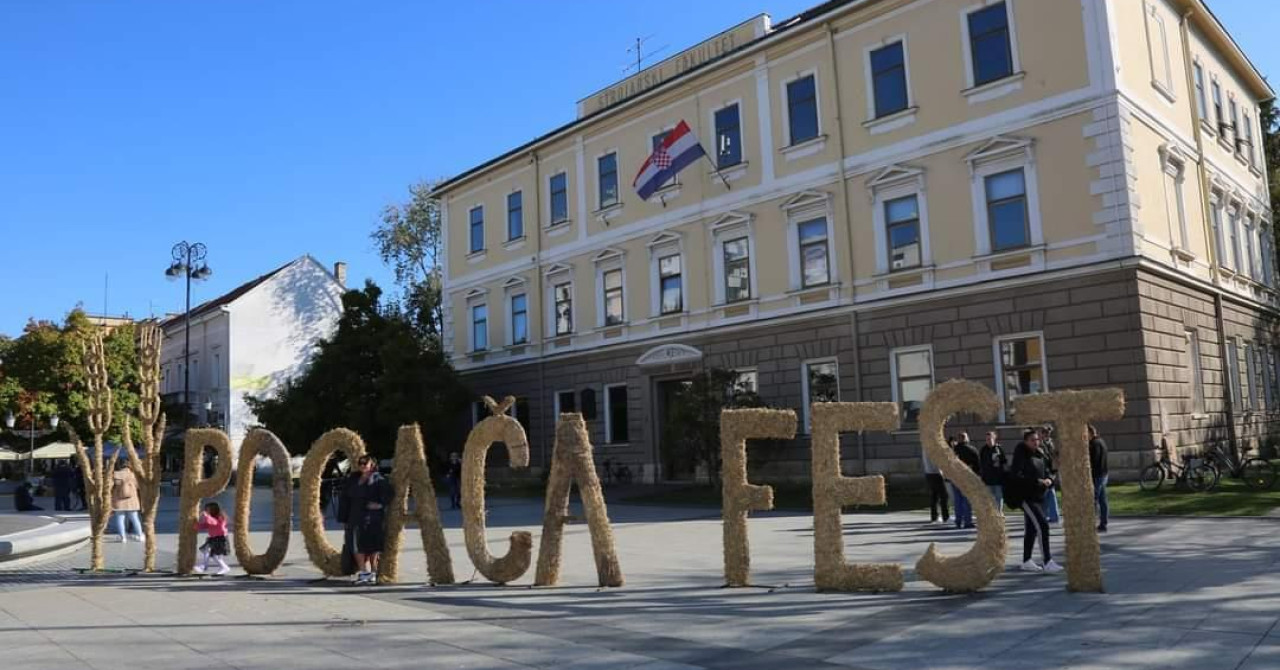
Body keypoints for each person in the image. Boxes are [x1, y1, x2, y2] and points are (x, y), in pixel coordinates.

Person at [1010, 429, 1062, 574]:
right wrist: (1038, 481)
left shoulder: (1040, 453)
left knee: (1032, 529)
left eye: (1037, 439)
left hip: (1040, 496)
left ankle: (1027, 561)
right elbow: (1017, 475)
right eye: (1032, 440)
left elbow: (1051, 470)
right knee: (1043, 526)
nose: (1036, 442)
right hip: (1026, 497)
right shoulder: (1020, 454)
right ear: (1025, 441)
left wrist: (1050, 480)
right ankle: (1047, 562)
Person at [352, 455, 391, 585]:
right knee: (358, 545)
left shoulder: (379, 479)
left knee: (374, 545)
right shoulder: (355, 478)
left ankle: (374, 572)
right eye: (360, 463)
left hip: (373, 517)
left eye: (365, 463)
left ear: (372, 464)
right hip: (358, 517)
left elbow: (390, 494)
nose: (362, 465)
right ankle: (363, 572)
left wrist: (380, 505)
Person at [951, 432, 980, 529]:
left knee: (957, 500)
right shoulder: (972, 450)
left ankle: (958, 521)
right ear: (966, 439)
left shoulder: (952, 450)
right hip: (967, 478)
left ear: (959, 439)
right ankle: (967, 521)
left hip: (955, 478)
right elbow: (977, 465)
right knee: (966, 500)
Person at [193, 501, 231, 575]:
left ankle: (224, 568)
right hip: (213, 538)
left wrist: (206, 516)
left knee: (215, 556)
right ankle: (204, 566)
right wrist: (197, 526)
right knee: (206, 550)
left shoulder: (221, 517)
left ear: (213, 510)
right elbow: (207, 525)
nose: (206, 511)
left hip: (221, 539)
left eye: (208, 510)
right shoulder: (211, 517)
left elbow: (214, 523)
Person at [111, 460, 143, 542]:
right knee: (134, 518)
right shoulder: (133, 475)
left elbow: (111, 486)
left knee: (120, 518)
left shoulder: (116, 474)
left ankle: (123, 537)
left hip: (119, 500)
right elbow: (139, 486)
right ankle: (140, 535)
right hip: (132, 500)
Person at [979, 431, 1007, 516]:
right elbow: (981, 463)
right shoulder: (983, 450)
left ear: (994, 438)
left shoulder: (999, 449)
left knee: (999, 497)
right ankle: (990, 515)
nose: (988, 440)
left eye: (990, 438)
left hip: (998, 478)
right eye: (987, 439)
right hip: (987, 478)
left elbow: (1004, 462)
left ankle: (999, 513)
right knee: (988, 499)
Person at [1089, 424, 1110, 532]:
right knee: (1102, 500)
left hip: (1098, 475)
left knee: (1094, 500)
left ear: (1090, 433)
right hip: (1103, 474)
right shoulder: (1101, 441)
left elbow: (1094, 460)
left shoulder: (1094, 444)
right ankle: (1103, 523)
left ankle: (1093, 523)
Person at [1038, 426, 1061, 524]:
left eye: (1047, 433)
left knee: (1046, 494)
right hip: (1048, 471)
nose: (1046, 434)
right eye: (1045, 433)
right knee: (1049, 494)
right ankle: (1051, 516)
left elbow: (1051, 458)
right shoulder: (1047, 443)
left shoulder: (1049, 444)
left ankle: (1047, 516)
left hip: (1049, 471)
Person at [922, 447, 949, 525]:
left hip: (928, 473)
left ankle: (934, 517)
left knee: (934, 496)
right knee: (944, 496)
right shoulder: (933, 448)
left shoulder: (925, 448)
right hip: (936, 473)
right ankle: (945, 517)